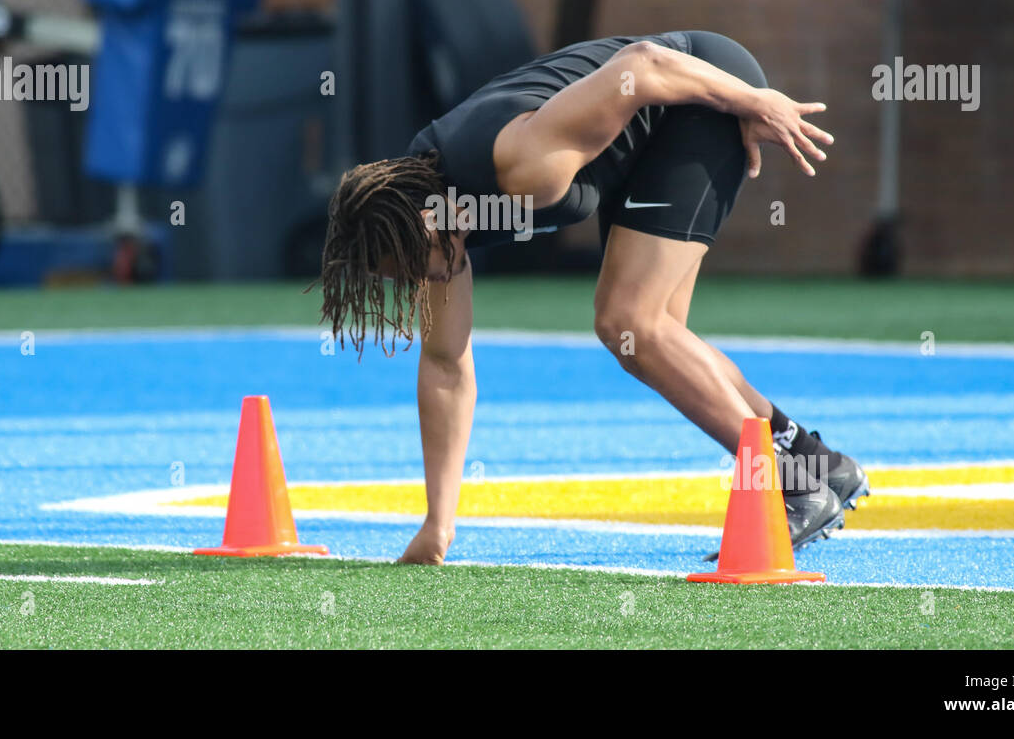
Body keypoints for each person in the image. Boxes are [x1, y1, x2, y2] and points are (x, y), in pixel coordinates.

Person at [316, 30, 868, 565]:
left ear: (425, 217)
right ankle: (814, 464)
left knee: (630, 325)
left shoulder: (521, 163)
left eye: (421, 261)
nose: (427, 278)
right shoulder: (435, 227)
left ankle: (790, 486)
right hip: (644, 142)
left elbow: (644, 65)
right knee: (656, 337)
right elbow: (444, 366)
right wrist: (439, 525)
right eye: (406, 275)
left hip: (697, 93)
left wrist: (753, 100)